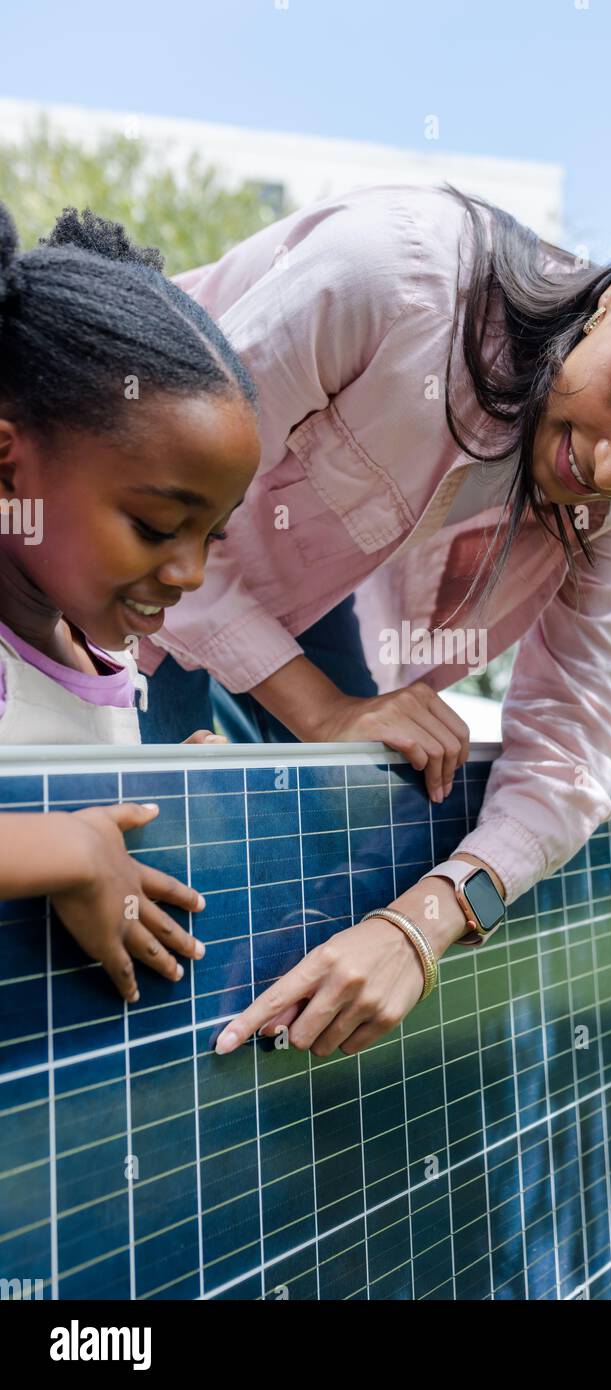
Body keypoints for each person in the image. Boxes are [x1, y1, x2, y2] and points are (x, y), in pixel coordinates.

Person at [134, 183, 611, 1058]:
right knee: (149, 868)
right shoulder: (387, 277)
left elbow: (571, 743)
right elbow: (142, 501)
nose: (607, 470)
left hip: (282, 597)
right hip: (88, 558)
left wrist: (422, 925)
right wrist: (320, 709)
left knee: (354, 823)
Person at [0, 201, 261, 1001]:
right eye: (155, 525)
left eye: (212, 536)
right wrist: (71, 854)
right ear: (8, 468)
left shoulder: (107, 661)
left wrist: (169, 802)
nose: (188, 574)